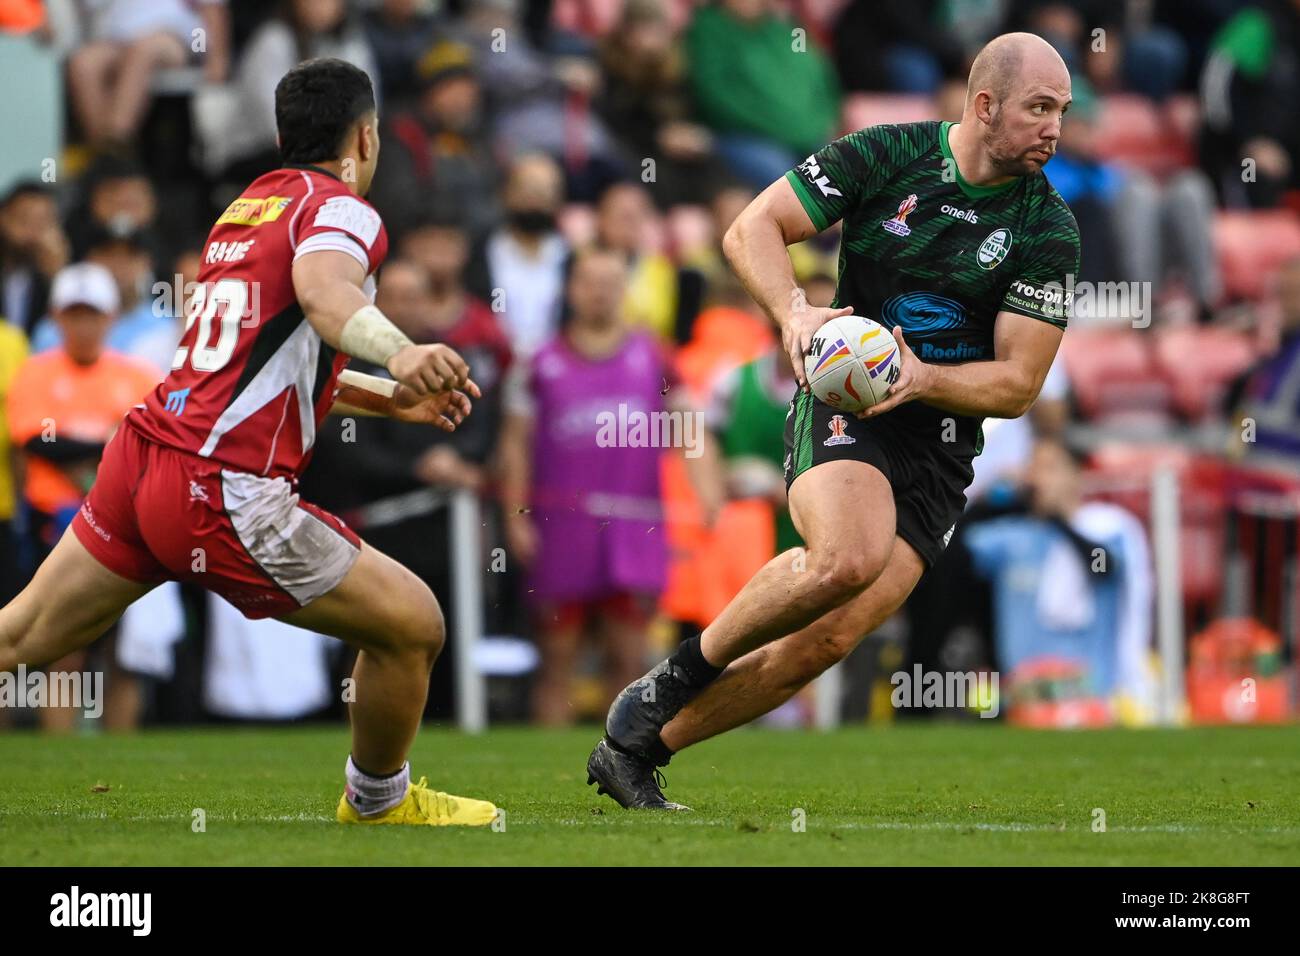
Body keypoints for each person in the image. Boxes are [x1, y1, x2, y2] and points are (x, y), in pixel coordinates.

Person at [586, 32, 1080, 808]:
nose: (1055, 127)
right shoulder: (887, 155)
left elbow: (1018, 384)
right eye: (1040, 108)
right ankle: (677, 673)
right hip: (848, 401)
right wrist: (790, 312)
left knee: (827, 638)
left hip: (939, 440)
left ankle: (640, 749)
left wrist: (922, 379)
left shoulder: (1048, 229)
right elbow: (751, 227)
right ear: (985, 106)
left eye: (1063, 111)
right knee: (847, 555)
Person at [0, 58, 496, 826]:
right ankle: (378, 802)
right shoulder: (342, 209)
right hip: (218, 486)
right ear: (365, 137)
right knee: (414, 625)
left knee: (20, 635)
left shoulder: (247, 207)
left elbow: (246, 369)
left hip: (144, 459)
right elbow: (327, 295)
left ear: (279, 135)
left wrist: (379, 398)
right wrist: (399, 352)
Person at [498, 246, 692, 725]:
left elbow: (690, 429)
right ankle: (546, 779)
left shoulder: (653, 357)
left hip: (633, 531)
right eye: (589, 282)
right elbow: (514, 446)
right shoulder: (537, 363)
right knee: (557, 658)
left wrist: (704, 495)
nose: (600, 292)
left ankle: (621, 756)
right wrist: (515, 518)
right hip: (561, 530)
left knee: (629, 659)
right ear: (571, 289)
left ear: (624, 290)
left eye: (610, 282)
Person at [5, 262, 159, 731]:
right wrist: (110, 444)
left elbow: (153, 442)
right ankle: (59, 745)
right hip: (54, 519)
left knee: (128, 643)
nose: (83, 324)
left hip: (128, 520)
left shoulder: (136, 374)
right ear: (57, 317)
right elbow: (34, 439)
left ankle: (119, 747)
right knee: (61, 636)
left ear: (110, 318)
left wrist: (94, 450)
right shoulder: (36, 372)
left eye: (92, 314)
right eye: (74, 315)